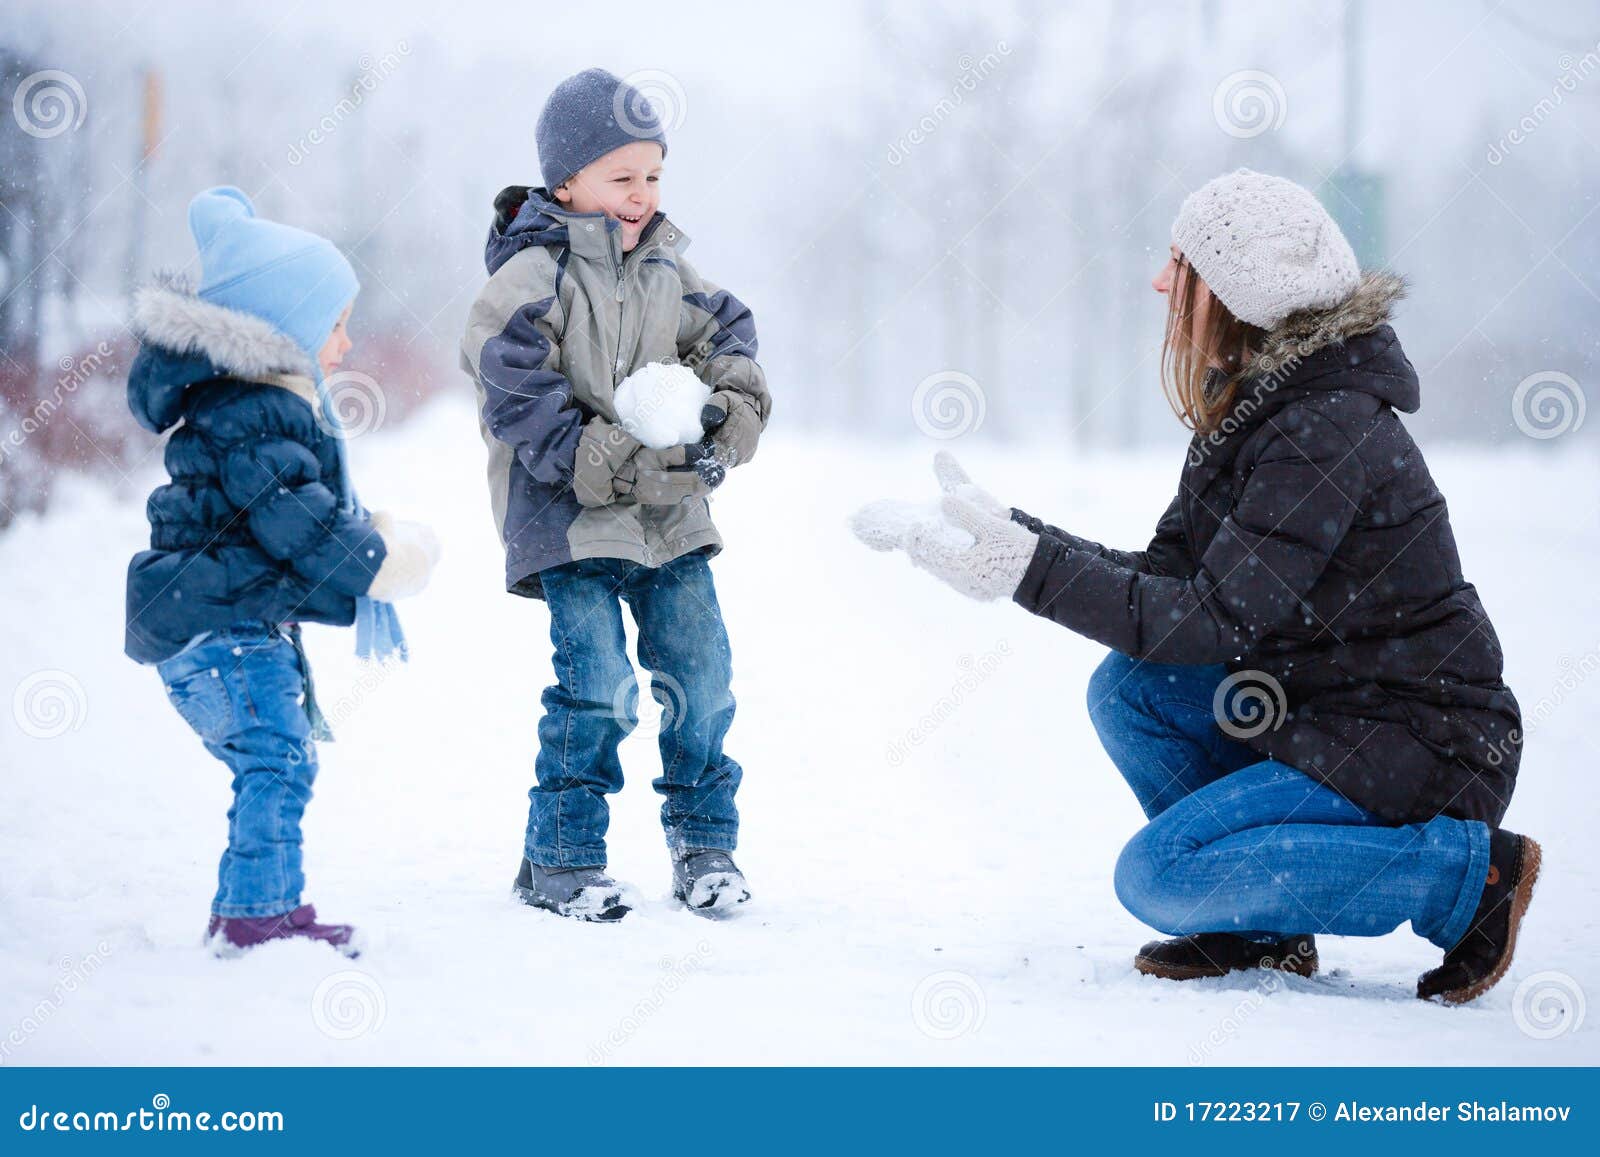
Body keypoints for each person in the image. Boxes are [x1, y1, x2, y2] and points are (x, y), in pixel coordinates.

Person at [853, 169, 1534, 1005]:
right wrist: (1022, 539)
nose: (1158, 281)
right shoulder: (1263, 399)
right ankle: (1263, 926)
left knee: (1159, 876)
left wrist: (1028, 573)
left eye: (1180, 263)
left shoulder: (1326, 427)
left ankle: (1467, 876)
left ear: (1237, 290)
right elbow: (1175, 576)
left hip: (1419, 741)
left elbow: (1209, 621)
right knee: (1133, 689)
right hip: (1327, 707)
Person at [460, 69, 772, 921]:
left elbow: (728, 336)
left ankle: (705, 844)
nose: (643, 195)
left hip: (669, 511)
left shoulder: (669, 263)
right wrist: (597, 454)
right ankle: (559, 856)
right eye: (622, 176)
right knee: (598, 685)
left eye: (654, 175)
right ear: (566, 183)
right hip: (571, 517)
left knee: (701, 676)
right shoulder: (532, 274)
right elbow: (510, 381)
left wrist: (733, 407)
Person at [125, 187, 439, 956]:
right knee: (277, 758)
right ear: (286, 325)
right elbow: (297, 522)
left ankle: (255, 904)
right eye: (334, 324)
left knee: (278, 760)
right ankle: (255, 916)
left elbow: (293, 516)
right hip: (219, 630)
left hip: (224, 624)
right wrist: (378, 557)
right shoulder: (254, 413)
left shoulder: (257, 405)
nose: (346, 342)